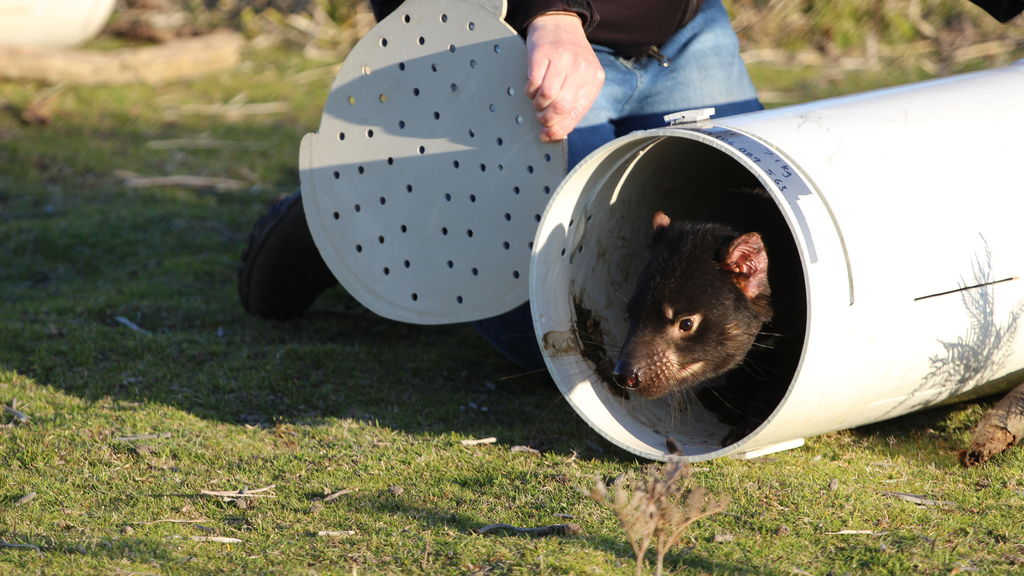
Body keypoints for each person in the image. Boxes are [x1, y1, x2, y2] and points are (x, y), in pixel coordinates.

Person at [238, 0, 1019, 371]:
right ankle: (366, 207)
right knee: (552, 335)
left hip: (678, 30)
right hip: (525, 45)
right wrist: (553, 13)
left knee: (739, 240)